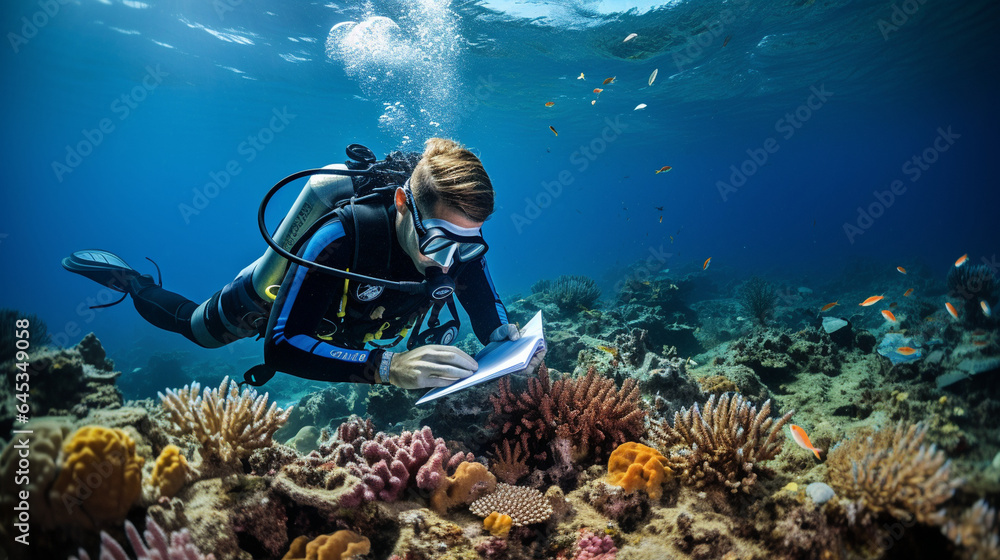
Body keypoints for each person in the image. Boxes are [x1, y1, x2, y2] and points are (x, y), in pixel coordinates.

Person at [63, 138, 542, 389]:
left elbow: (483, 300)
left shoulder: (457, 243)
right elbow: (283, 345)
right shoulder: (341, 236)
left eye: (469, 244)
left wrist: (505, 342)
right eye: (437, 239)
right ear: (402, 204)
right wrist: (388, 367)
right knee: (200, 331)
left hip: (357, 326)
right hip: (272, 296)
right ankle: (132, 281)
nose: (450, 261)